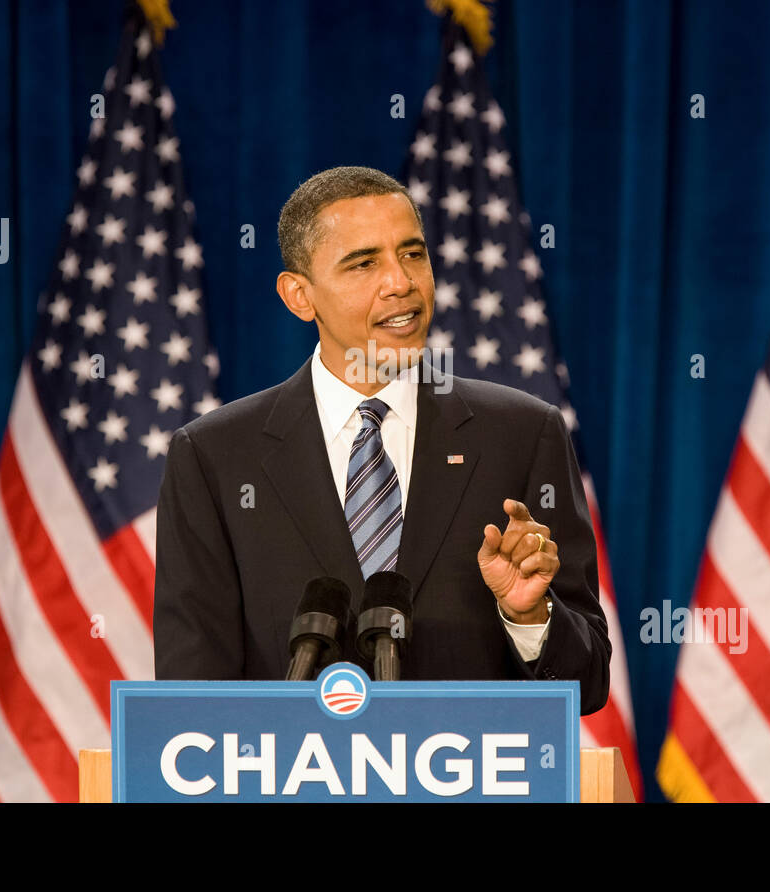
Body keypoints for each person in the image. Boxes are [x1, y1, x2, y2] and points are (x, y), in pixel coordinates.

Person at [153, 166, 611, 714]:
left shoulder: (522, 433)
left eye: (413, 254)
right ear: (299, 296)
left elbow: (587, 686)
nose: (402, 282)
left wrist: (528, 617)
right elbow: (191, 698)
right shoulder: (215, 457)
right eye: (365, 263)